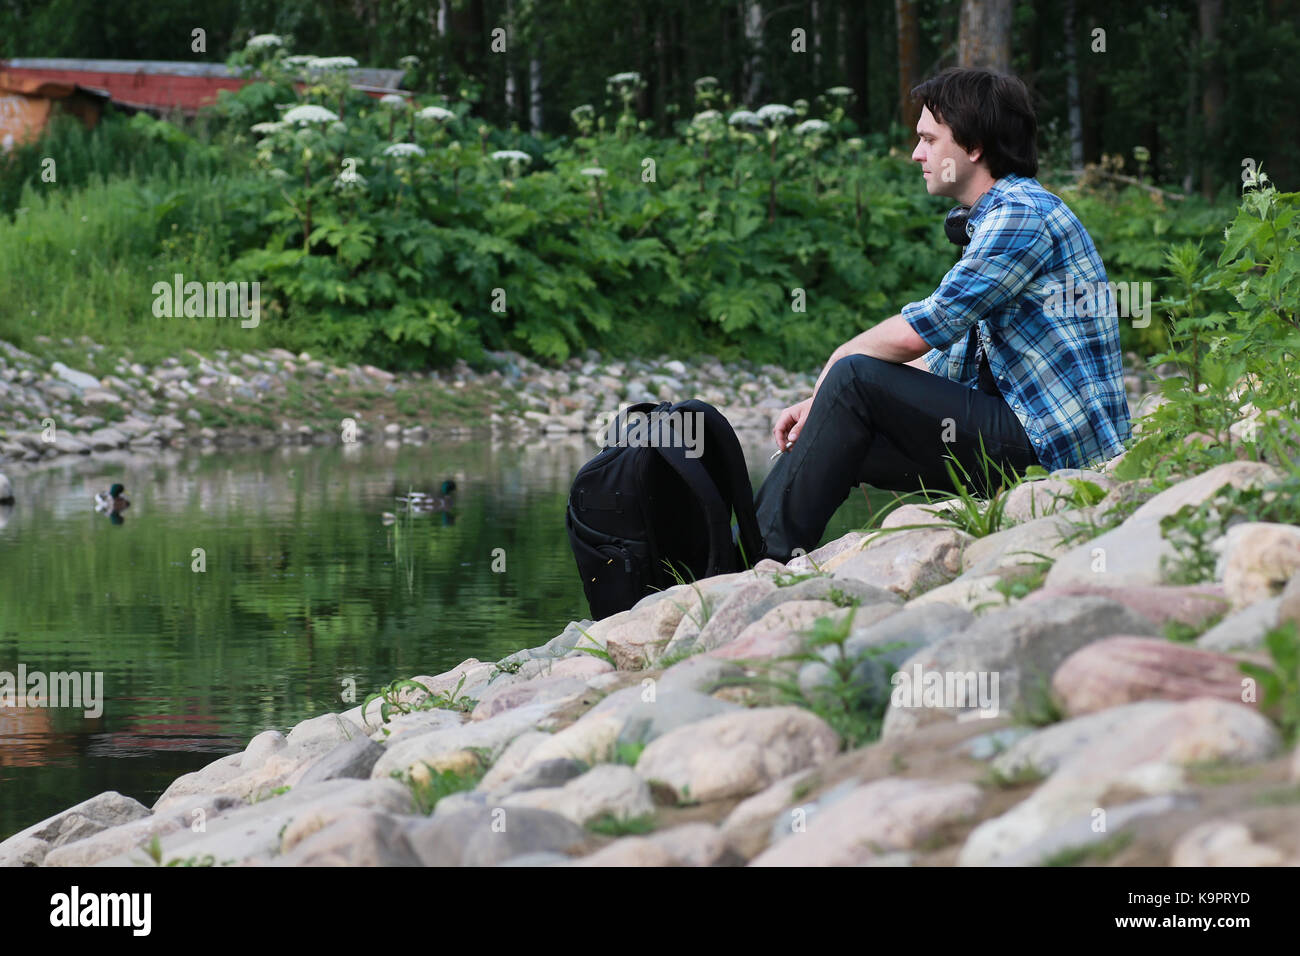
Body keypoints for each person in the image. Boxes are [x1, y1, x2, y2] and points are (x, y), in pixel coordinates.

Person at [754, 67, 1131, 563]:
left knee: (852, 378)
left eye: (929, 140)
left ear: (973, 146)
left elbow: (921, 331)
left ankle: (759, 560)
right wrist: (820, 406)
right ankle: (746, 555)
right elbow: (943, 363)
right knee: (838, 429)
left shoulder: (1021, 215)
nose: (917, 154)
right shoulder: (996, 218)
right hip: (1024, 436)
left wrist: (834, 371)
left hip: (1056, 453)